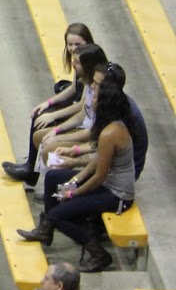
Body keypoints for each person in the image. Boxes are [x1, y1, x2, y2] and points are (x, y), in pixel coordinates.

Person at [18, 69, 136, 273]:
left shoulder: (111, 133)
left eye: (97, 95)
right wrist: (74, 180)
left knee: (57, 214)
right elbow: (97, 161)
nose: (93, 97)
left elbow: (99, 175)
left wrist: (74, 192)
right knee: (54, 177)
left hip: (117, 194)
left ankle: (100, 254)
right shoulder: (106, 125)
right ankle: (46, 231)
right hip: (106, 183)